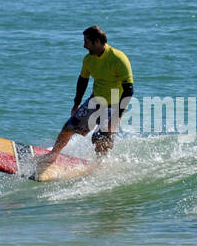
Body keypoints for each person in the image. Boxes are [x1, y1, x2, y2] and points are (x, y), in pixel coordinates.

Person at [37, 25, 133, 172]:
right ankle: (52, 156)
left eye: (87, 42)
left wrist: (117, 114)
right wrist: (76, 103)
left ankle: (101, 166)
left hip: (115, 103)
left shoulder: (118, 59)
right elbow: (83, 80)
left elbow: (129, 90)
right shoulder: (89, 60)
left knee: (100, 138)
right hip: (96, 100)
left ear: (97, 42)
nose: (84, 46)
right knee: (68, 128)